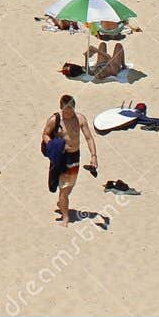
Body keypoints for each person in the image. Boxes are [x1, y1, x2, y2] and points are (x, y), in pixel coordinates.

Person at [41, 95, 97, 224]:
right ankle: (66, 217)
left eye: (71, 109)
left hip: (75, 156)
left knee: (70, 186)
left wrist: (94, 156)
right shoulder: (55, 120)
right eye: (66, 110)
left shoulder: (80, 119)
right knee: (64, 189)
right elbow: (45, 134)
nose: (69, 112)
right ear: (61, 108)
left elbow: (89, 138)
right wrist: (54, 146)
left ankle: (61, 202)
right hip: (62, 157)